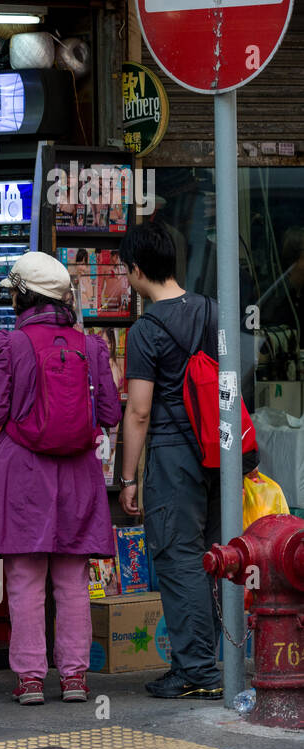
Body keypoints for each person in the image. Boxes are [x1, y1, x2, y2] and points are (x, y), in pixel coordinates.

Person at [0, 252, 120, 705]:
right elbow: (112, 413)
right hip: (78, 474)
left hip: (23, 473)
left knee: (24, 580)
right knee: (73, 581)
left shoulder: (11, 344)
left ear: (22, 296)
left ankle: (31, 679)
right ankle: (75, 678)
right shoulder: (91, 346)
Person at [116, 223, 230, 701]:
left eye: (126, 269)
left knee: (178, 559)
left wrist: (127, 478)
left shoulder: (146, 330)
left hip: (172, 457)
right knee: (207, 557)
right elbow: (229, 382)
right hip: (214, 453)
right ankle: (206, 662)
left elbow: (139, 411)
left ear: (138, 270)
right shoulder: (212, 310)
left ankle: (198, 671)